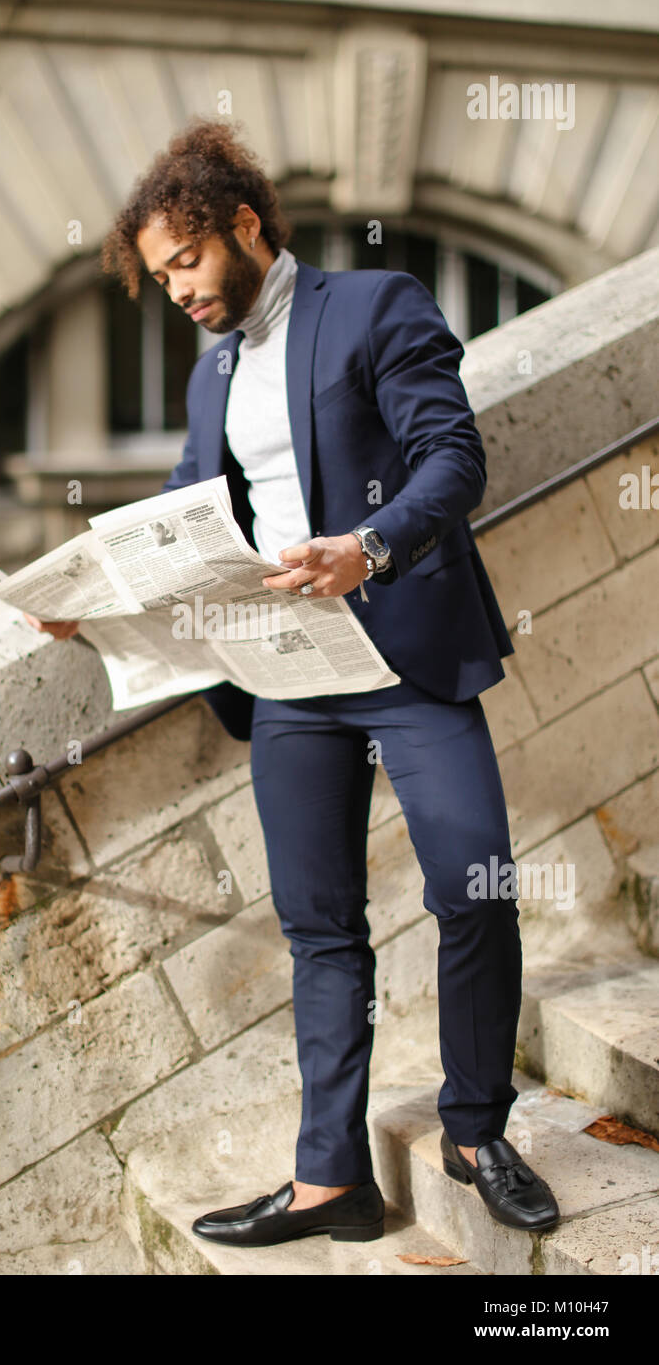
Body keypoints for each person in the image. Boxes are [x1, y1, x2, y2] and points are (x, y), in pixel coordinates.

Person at [28, 117, 560, 1247]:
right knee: (319, 929)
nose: (176, 290)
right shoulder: (210, 366)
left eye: (188, 260)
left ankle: (473, 1128)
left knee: (473, 883)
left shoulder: (375, 306)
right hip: (286, 676)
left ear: (244, 224)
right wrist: (90, 596)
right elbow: (184, 514)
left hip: (401, 651)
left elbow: (451, 458)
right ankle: (331, 1179)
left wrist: (363, 546)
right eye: (161, 274)